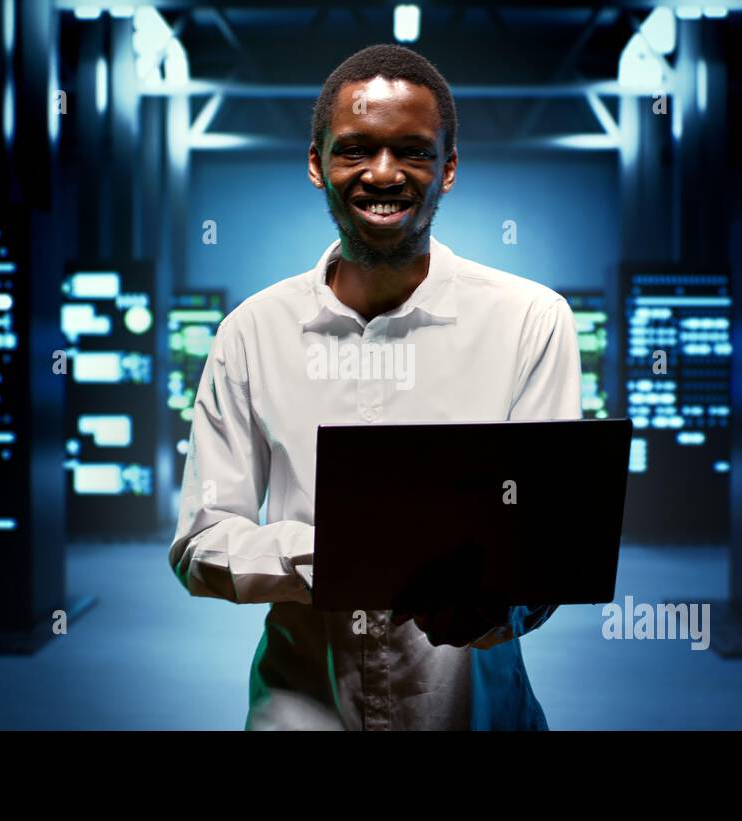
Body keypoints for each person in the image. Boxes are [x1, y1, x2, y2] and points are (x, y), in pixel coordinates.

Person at [168, 43, 581, 730]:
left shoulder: (531, 321)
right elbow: (199, 541)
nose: (382, 174)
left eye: (413, 152)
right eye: (355, 148)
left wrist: (503, 603)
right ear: (316, 163)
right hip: (303, 710)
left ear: (447, 168)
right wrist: (341, 554)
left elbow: (543, 546)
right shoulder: (250, 332)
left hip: (473, 714)